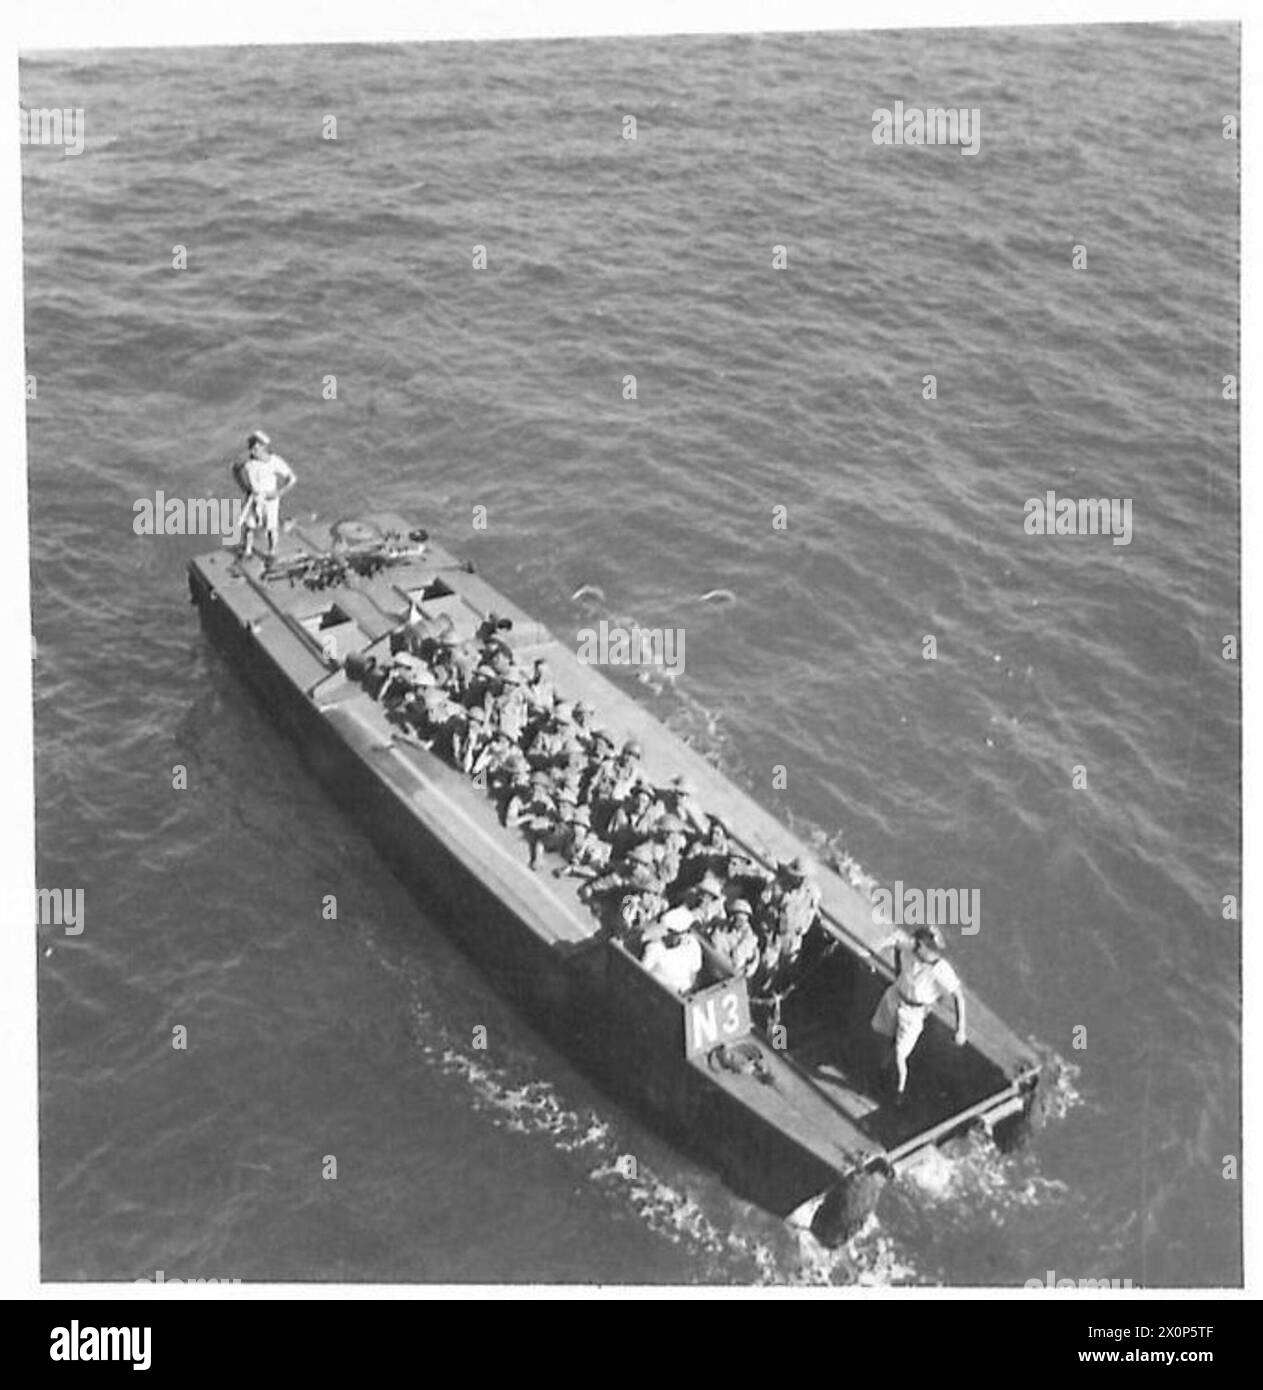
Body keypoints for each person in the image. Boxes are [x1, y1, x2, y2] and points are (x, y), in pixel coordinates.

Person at [869, 925, 967, 1100]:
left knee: (901, 1053)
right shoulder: (910, 948)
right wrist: (898, 972)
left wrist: (960, 1029)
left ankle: (898, 1091)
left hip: (913, 1012)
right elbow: (897, 946)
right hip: (895, 997)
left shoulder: (940, 969)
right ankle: (881, 1073)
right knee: (884, 1036)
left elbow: (958, 996)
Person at [234, 429, 296, 560]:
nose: (252, 451)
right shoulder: (247, 461)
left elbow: (291, 478)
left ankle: (272, 551)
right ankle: (248, 550)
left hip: (269, 500)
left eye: (256, 447)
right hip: (254, 498)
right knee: (249, 526)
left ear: (263, 447)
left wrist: (278, 493)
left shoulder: (274, 462)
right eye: (251, 447)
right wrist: (244, 487)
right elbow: (236, 469)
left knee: (271, 528)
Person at [640, 908, 703, 995]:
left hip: (684, 993)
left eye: (679, 934)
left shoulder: (692, 945)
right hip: (659, 994)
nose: (667, 935)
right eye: (669, 932)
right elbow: (642, 975)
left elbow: (694, 973)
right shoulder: (654, 948)